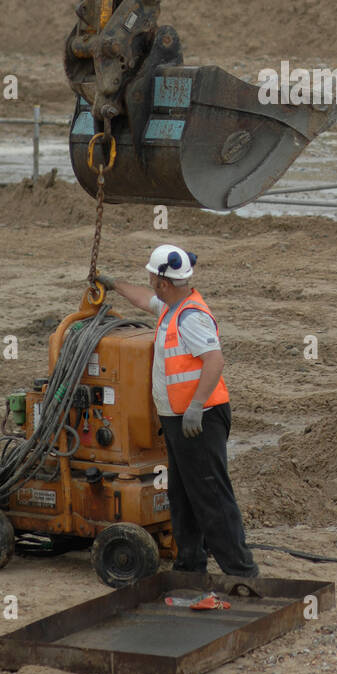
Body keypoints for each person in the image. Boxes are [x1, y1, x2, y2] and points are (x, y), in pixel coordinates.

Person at [99, 245, 258, 578]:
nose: (150, 284)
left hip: (199, 421)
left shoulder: (190, 317)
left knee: (210, 495)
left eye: (152, 278)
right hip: (179, 421)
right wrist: (113, 284)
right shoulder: (172, 308)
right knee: (182, 494)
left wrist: (196, 407)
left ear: (163, 283)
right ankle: (190, 565)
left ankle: (241, 572)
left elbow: (214, 360)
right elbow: (143, 299)